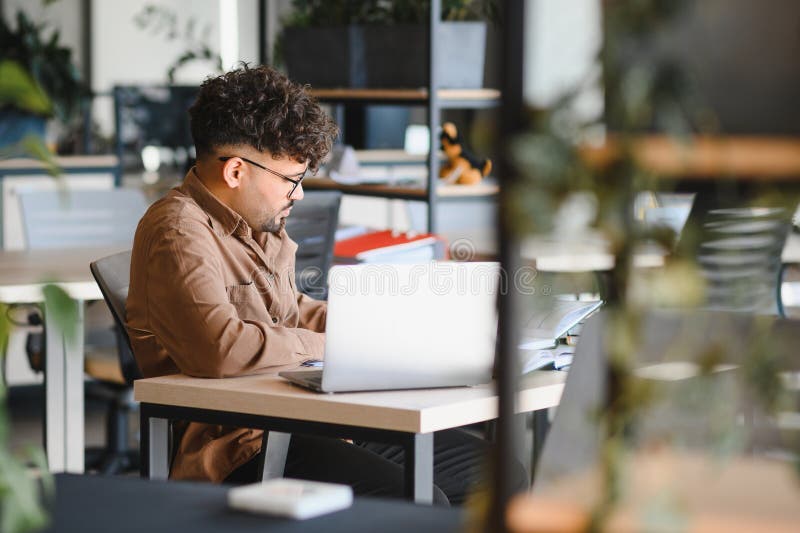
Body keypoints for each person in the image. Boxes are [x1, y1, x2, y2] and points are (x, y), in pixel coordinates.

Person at [126, 64, 525, 504]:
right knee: (420, 498)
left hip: (305, 417)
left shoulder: (257, 226)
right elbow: (222, 348)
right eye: (291, 180)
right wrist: (330, 345)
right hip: (239, 443)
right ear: (236, 171)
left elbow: (291, 310)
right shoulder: (178, 231)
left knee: (499, 473)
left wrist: (382, 327)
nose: (298, 194)